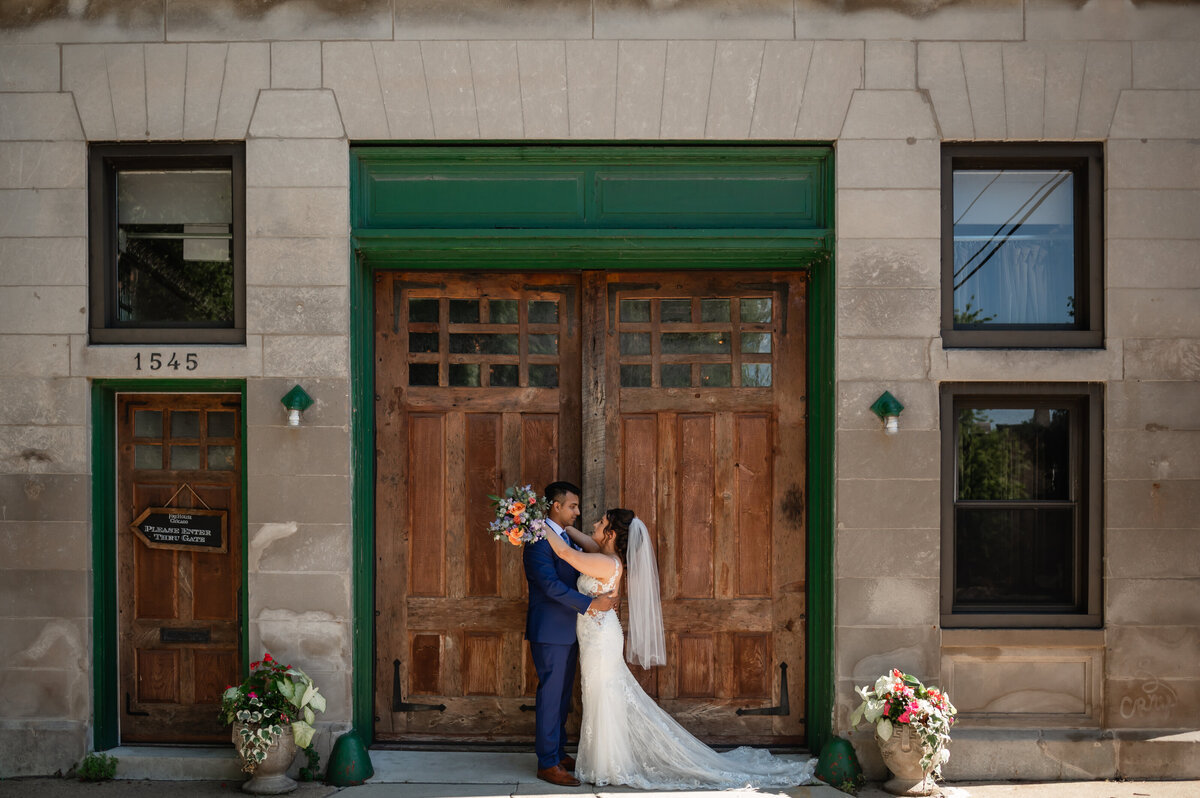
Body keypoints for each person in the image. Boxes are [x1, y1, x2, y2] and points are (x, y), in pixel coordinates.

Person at [545, 508, 820, 790]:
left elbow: (567, 554)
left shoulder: (605, 564)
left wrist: (536, 525)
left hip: (601, 639)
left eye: (600, 523)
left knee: (603, 695)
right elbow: (580, 543)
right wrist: (557, 525)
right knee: (600, 695)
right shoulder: (603, 555)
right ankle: (603, 761)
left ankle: (608, 765)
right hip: (596, 635)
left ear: (612, 534)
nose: (593, 524)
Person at [521, 481, 615, 788]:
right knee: (550, 695)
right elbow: (549, 586)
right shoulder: (537, 540)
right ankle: (547, 762)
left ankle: (558, 752)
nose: (577, 512)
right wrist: (590, 604)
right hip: (550, 629)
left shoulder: (563, 537)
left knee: (561, 696)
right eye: (572, 506)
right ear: (555, 506)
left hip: (569, 629)